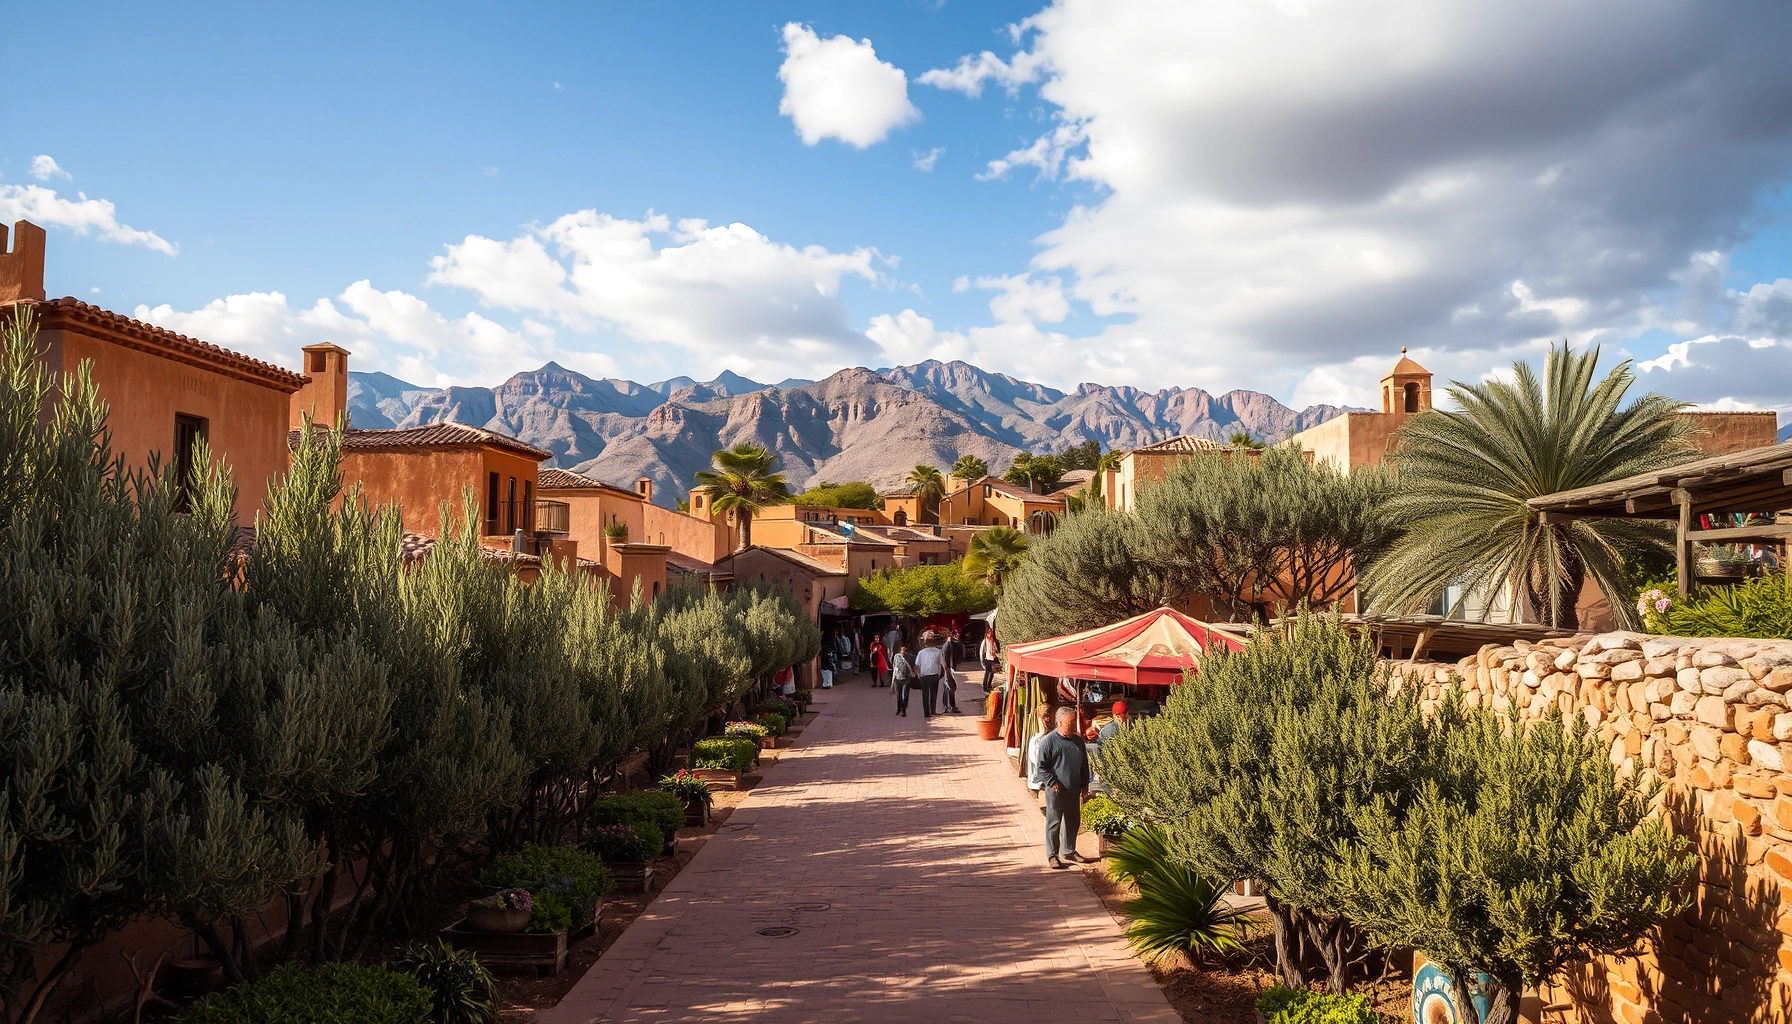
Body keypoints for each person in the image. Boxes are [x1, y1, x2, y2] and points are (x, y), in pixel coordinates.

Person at [1031, 706, 1091, 869]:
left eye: (1074, 722)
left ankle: (1069, 850)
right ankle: (1052, 855)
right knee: (1054, 822)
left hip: (1073, 788)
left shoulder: (1078, 741)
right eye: (1069, 723)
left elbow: (1084, 764)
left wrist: (1085, 783)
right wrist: (1053, 782)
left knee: (1073, 820)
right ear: (1059, 723)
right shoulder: (1048, 742)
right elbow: (1041, 768)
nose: (1073, 726)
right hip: (1056, 790)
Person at [912, 636, 945, 717]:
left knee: (925, 694)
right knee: (934, 693)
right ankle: (933, 710)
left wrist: (918, 675)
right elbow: (943, 664)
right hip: (934, 675)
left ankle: (926, 713)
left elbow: (917, 665)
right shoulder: (938, 652)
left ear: (925, 643)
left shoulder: (921, 652)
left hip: (924, 675)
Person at [891, 645, 917, 716]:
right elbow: (894, 665)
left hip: (906, 679)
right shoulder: (896, 656)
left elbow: (915, 664)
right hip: (897, 678)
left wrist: (915, 672)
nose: (902, 650)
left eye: (904, 649)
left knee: (904, 695)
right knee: (898, 695)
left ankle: (904, 710)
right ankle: (899, 709)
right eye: (901, 649)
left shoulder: (910, 657)